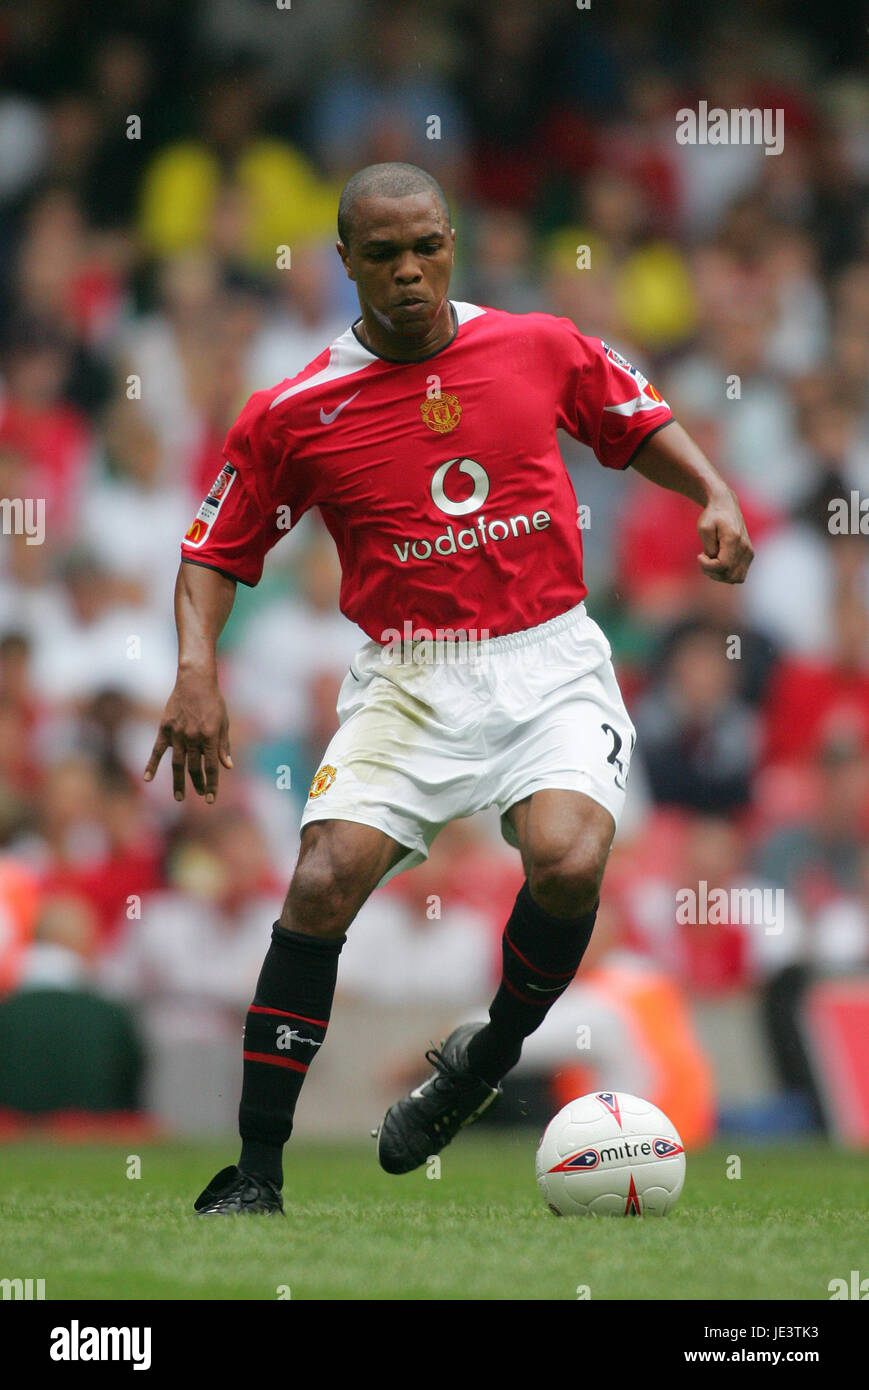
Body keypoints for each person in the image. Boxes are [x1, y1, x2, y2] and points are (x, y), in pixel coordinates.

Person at [144, 162, 753, 1215]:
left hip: (547, 653)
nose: (410, 271)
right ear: (344, 264)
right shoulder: (295, 410)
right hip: (409, 675)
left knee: (566, 860)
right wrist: (197, 668)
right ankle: (254, 1174)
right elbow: (213, 550)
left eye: (425, 246)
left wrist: (710, 491)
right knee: (324, 876)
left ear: (451, 242)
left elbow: (634, 415)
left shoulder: (536, 343)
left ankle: (482, 1056)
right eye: (382, 256)